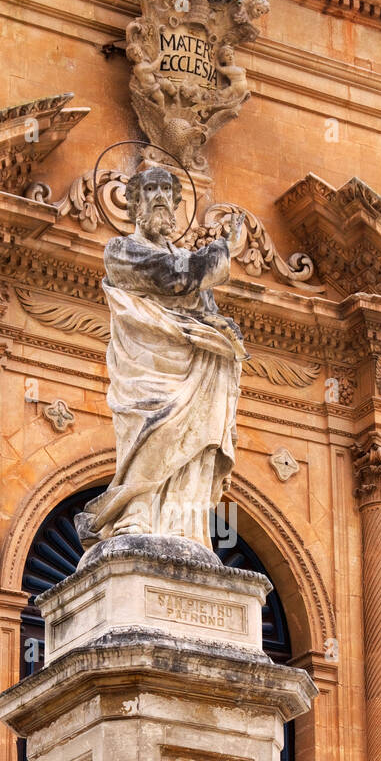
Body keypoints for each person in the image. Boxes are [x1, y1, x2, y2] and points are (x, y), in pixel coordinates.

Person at [77, 166, 245, 550]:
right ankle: (132, 515)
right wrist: (223, 249)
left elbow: (205, 311)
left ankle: (183, 526)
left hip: (192, 364)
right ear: (135, 203)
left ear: (175, 204)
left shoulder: (187, 259)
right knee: (152, 430)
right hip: (146, 367)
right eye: (150, 189)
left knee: (191, 440)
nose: (159, 197)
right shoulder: (121, 251)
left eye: (166, 190)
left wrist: (224, 331)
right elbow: (173, 278)